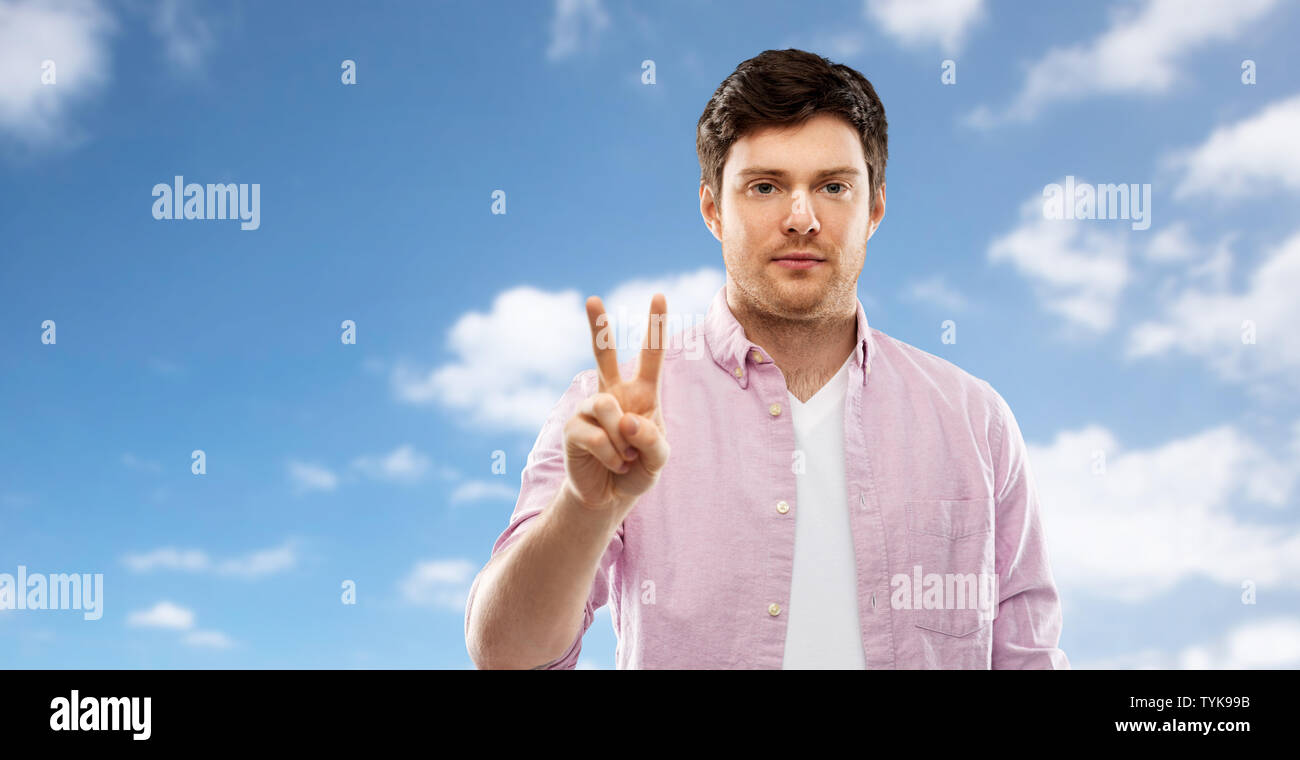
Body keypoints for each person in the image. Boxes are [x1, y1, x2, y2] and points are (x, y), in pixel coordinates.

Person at [464, 48, 1069, 669]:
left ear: (875, 209)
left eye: (833, 187)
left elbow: (1028, 657)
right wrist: (585, 509)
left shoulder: (977, 421)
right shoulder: (612, 414)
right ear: (712, 210)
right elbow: (505, 654)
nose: (801, 218)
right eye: (765, 187)